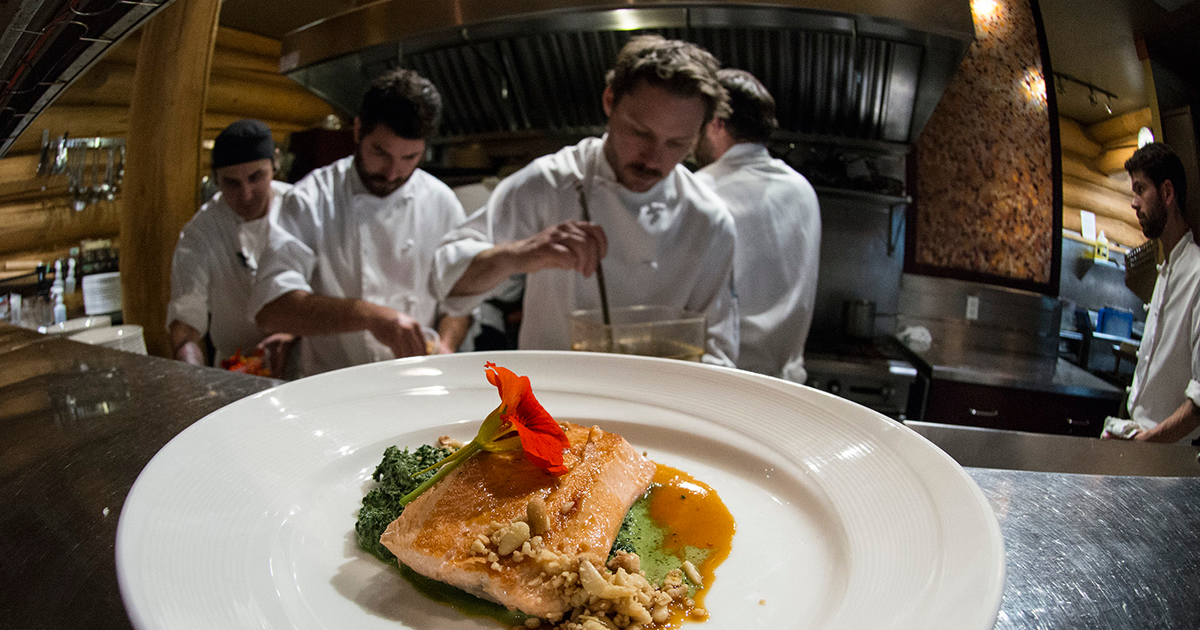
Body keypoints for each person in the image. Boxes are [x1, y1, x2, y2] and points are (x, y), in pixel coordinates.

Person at [433, 35, 739, 366]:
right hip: (548, 404)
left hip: (654, 406)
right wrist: (522, 254)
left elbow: (718, 352)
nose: (653, 159)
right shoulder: (550, 182)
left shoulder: (707, 218)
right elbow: (447, 281)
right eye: (640, 133)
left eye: (677, 143)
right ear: (610, 101)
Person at [252, 68, 470, 377]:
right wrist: (370, 316)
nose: (393, 173)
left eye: (410, 157)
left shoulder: (442, 202)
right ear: (357, 131)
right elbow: (272, 307)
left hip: (414, 384)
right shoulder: (310, 199)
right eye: (380, 152)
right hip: (331, 386)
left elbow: (459, 301)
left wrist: (445, 346)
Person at [693, 68, 821, 382]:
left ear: (716, 123)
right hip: (791, 384)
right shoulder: (802, 189)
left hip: (730, 385)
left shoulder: (701, 191)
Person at [167, 119, 294, 374]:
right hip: (238, 372)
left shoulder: (299, 209)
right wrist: (193, 378)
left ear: (275, 163)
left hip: (304, 360)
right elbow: (186, 327)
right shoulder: (200, 232)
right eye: (231, 183)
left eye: (256, 177)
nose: (246, 194)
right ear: (216, 179)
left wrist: (292, 335)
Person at [1105, 142, 1200, 443]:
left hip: (1168, 458)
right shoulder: (1165, 271)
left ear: (1167, 193)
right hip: (1141, 443)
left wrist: (1146, 444)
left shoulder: (1198, 274)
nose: (1134, 203)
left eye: (1140, 189)